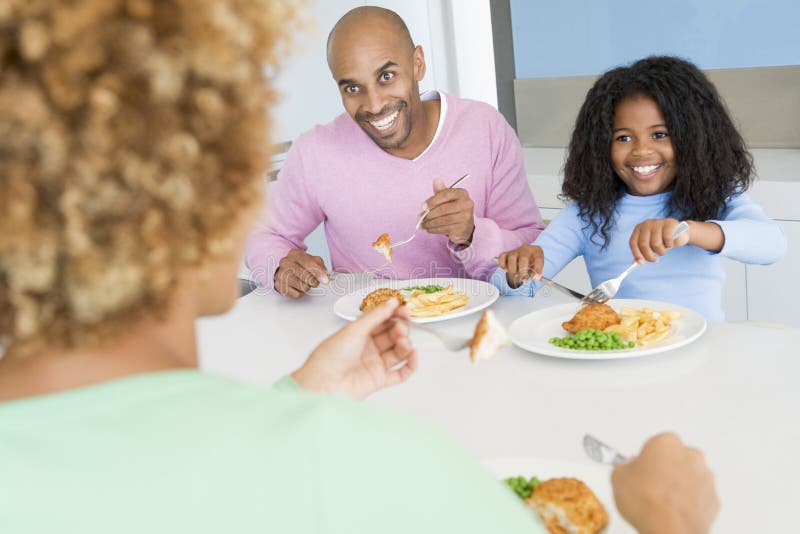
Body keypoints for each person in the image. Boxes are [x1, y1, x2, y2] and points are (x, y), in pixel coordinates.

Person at [0, 3, 717, 533]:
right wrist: (662, 519)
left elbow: (199, 469)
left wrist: (300, 391)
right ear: (208, 215)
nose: (371, 102)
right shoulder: (376, 463)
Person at [245, 6, 544, 298]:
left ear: (417, 64)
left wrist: (472, 233)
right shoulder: (315, 151)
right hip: (369, 333)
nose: (374, 105)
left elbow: (531, 245)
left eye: (386, 77)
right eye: (352, 89)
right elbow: (262, 236)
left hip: (473, 330)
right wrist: (279, 268)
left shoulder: (485, 128)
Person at [494, 56, 786, 320]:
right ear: (599, 146)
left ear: (694, 138)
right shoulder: (588, 213)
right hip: (624, 353)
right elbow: (511, 289)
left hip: (703, 352)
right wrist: (516, 273)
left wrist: (688, 231)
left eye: (660, 134)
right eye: (623, 138)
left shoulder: (714, 195)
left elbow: (773, 244)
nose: (641, 151)